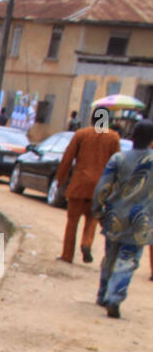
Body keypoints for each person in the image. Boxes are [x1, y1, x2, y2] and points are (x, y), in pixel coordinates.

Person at [91, 119, 153, 318]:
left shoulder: (118, 159)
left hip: (115, 216)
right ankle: (114, 297)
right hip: (141, 219)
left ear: (132, 137)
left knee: (110, 256)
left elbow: (102, 187)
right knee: (127, 259)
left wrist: (97, 211)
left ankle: (102, 294)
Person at [56, 108, 121, 264]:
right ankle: (86, 244)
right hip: (100, 187)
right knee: (92, 219)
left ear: (92, 119)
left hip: (79, 184)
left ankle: (67, 254)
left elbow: (67, 157)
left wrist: (61, 178)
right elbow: (117, 162)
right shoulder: (113, 137)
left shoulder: (81, 134)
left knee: (72, 221)